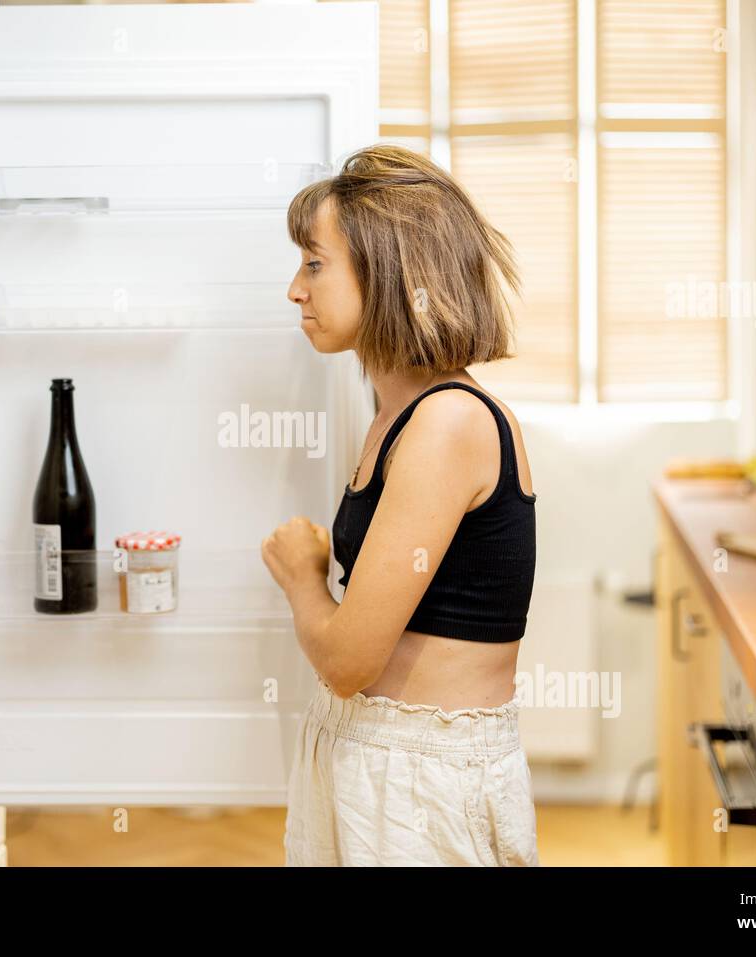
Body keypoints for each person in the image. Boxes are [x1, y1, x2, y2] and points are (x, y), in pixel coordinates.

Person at [261, 144, 539, 866]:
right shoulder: (398, 412)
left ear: (389, 272)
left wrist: (301, 576)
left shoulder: (448, 422)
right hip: (380, 764)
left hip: (420, 786)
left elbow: (350, 659)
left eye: (314, 263)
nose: (296, 288)